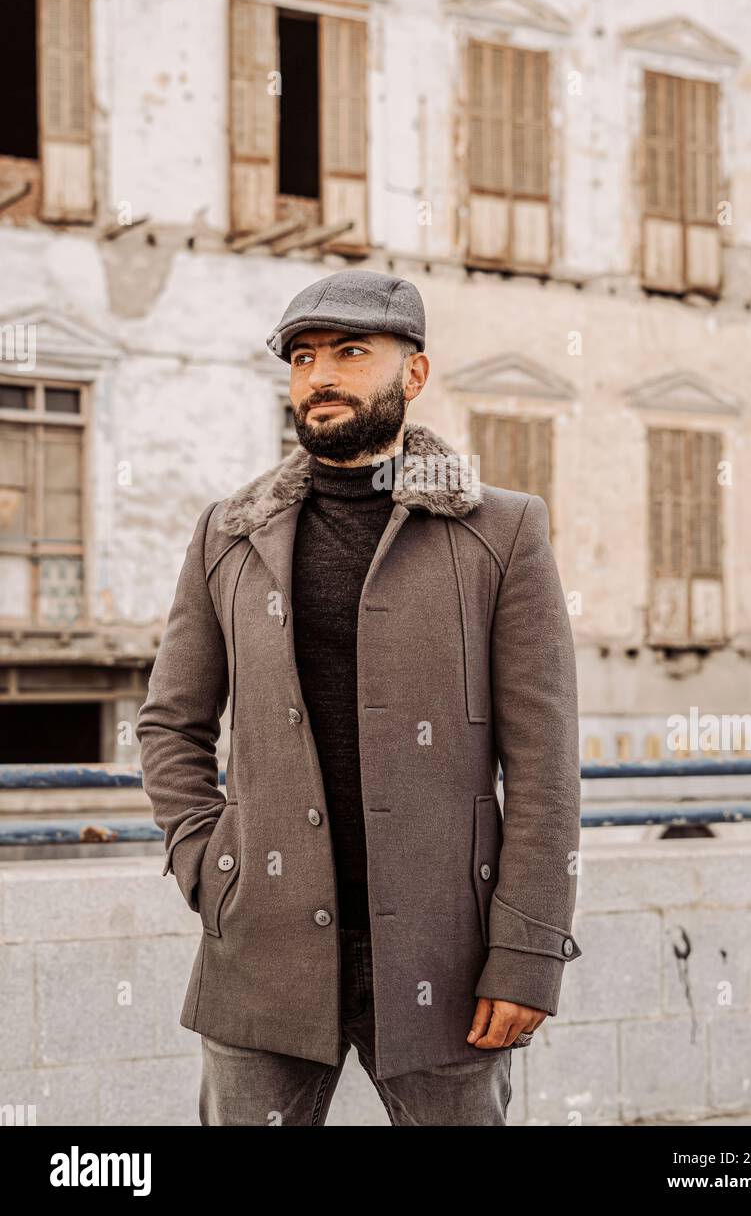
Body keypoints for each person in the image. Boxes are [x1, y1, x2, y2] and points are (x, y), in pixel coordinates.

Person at [136, 268, 582, 1126]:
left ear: (412, 374)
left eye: (349, 352)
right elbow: (170, 724)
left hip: (446, 958)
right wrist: (208, 866)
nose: (321, 377)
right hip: (260, 950)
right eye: (302, 358)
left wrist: (527, 952)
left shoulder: (502, 530)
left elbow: (545, 767)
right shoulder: (228, 531)